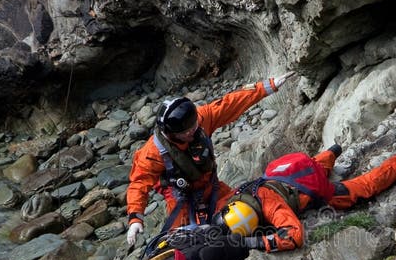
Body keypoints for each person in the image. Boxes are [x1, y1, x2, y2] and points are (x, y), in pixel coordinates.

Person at [125, 72, 295, 247]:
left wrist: (268, 86)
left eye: (193, 126)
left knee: (243, 214)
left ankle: (258, 241)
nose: (192, 131)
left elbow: (230, 104)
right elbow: (139, 184)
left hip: (213, 188)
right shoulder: (152, 152)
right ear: (170, 134)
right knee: (183, 244)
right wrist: (135, 218)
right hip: (181, 199)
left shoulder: (200, 119)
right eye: (185, 131)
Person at [212, 145, 396, 252]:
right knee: (315, 168)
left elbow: (294, 235)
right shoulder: (237, 195)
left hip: (308, 183)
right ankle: (332, 152)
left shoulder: (272, 206)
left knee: (358, 189)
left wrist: (254, 242)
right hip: (286, 170)